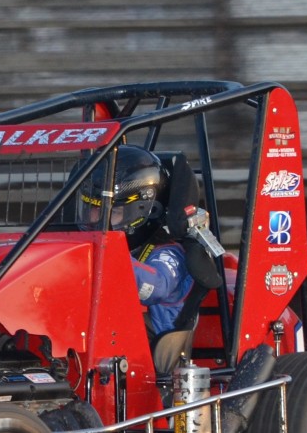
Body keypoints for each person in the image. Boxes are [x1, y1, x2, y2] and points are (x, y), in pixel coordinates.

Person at [78, 144, 222, 339]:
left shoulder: (168, 253)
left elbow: (157, 286)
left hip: (146, 356)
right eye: (93, 211)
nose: (97, 221)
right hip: (99, 346)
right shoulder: (117, 249)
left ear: (146, 211)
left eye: (114, 213)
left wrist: (105, 256)